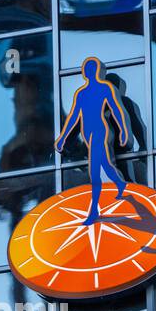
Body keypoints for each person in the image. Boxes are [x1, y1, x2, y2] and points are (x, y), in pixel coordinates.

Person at [55, 57, 129, 225]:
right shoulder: (81, 93)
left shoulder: (105, 88)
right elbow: (74, 116)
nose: (88, 71)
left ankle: (93, 210)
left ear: (96, 71)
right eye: (86, 68)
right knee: (107, 165)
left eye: (91, 68)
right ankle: (120, 184)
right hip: (88, 134)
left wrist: (124, 130)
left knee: (94, 173)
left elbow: (117, 109)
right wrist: (62, 137)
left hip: (99, 132)